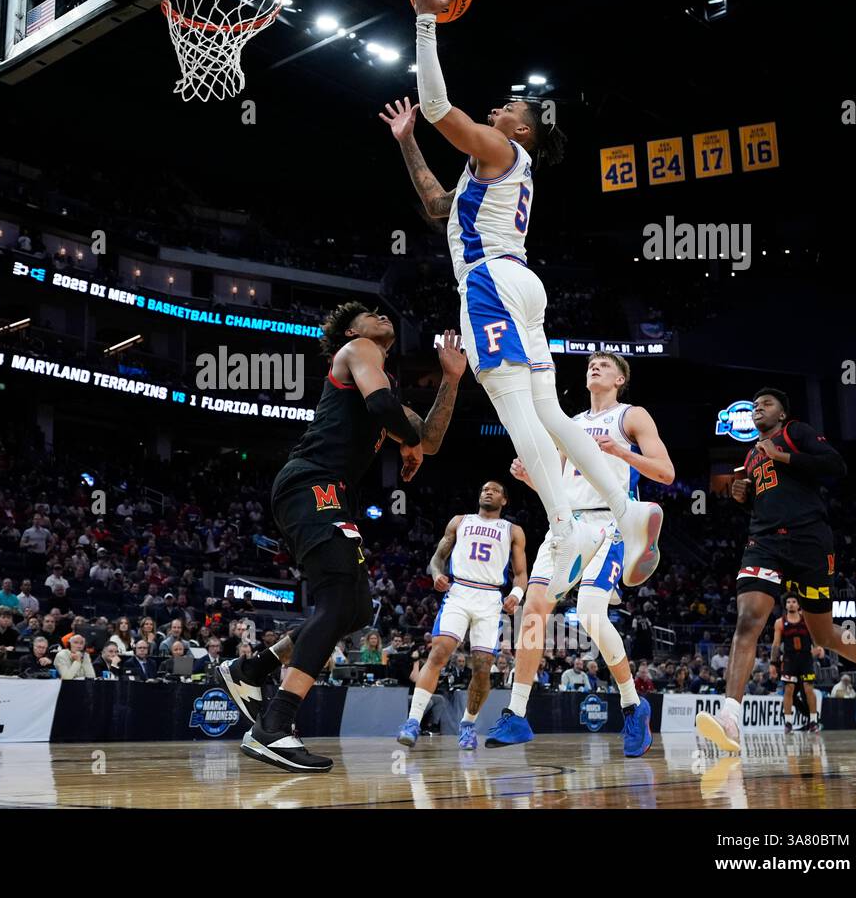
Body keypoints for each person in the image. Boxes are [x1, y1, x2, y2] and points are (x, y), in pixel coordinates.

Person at [386, 0, 663, 628]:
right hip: (518, 284)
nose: (500, 106)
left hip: (491, 284)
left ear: (524, 131)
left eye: (512, 105)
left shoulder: (502, 149)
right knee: (547, 412)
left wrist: (425, 20)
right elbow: (434, 206)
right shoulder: (497, 166)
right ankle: (625, 513)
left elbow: (436, 107)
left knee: (518, 414)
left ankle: (564, 523)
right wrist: (405, 144)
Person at [225, 303, 464, 773]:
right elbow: (383, 411)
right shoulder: (357, 350)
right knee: (336, 602)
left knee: (354, 609)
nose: (382, 316)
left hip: (332, 494)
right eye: (370, 314)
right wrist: (408, 439)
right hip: (310, 481)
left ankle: (251, 670)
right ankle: (273, 726)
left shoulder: (384, 381)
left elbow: (429, 439)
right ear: (352, 331)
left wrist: (451, 379)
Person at [489, 353, 673, 758]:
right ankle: (517, 713)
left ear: (620, 378)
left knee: (590, 613)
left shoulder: (631, 416)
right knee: (534, 608)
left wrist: (622, 453)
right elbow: (556, 487)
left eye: (605, 365)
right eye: (592, 364)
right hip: (567, 523)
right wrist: (531, 479)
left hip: (611, 521)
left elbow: (666, 472)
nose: (595, 367)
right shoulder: (569, 425)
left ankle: (632, 705)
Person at [696, 388, 856, 752]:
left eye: (766, 404)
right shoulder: (752, 455)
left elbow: (836, 466)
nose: (758, 409)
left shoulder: (795, 433)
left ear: (782, 414)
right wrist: (743, 497)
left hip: (809, 539)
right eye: (754, 405)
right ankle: (730, 717)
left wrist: (783, 455)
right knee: (748, 620)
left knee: (825, 636)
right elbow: (762, 504)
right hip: (764, 542)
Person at [398, 480, 528, 751]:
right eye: (483, 489)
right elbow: (437, 558)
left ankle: (468, 724)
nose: (487, 492)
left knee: (482, 668)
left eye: (494, 490)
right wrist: (436, 574)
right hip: (459, 592)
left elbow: (520, 574)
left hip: (490, 598)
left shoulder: (513, 530)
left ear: (504, 500)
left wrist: (516, 594)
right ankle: (412, 721)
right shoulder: (460, 521)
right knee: (438, 653)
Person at [770, 595, 819, 733]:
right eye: (788, 602)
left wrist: (819, 647)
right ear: (785, 605)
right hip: (789, 659)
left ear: (798, 605)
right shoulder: (780, 622)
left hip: (806, 658)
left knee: (809, 689)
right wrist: (773, 663)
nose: (791, 604)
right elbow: (776, 644)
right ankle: (788, 723)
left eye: (794, 602)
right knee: (789, 690)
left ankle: (814, 721)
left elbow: (815, 638)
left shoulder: (808, 620)